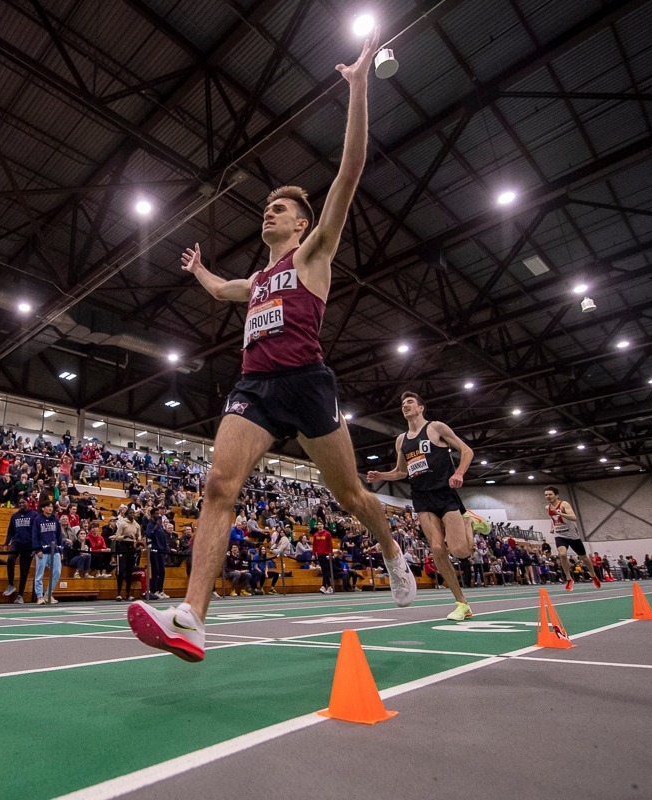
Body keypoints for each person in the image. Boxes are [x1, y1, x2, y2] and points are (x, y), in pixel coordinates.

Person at [127, 32, 415, 662]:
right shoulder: (257, 280)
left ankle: (393, 550)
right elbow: (223, 290)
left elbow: (350, 172)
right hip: (254, 388)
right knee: (218, 485)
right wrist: (199, 270)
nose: (268, 213)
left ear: (301, 223)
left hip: (307, 383)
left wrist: (359, 88)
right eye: (265, 208)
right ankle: (192, 619)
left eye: (278, 208)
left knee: (350, 496)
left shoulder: (313, 255)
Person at [367, 392, 475, 621]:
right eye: (402, 403)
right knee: (436, 549)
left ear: (420, 408)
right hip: (422, 498)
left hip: (444, 493)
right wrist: (381, 475)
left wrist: (459, 473)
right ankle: (461, 603)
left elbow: (467, 451)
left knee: (460, 551)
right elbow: (401, 472)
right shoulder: (401, 440)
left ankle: (468, 521)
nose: (405, 405)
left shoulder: (436, 428)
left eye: (410, 402)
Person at [544, 486, 602, 591]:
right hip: (560, 535)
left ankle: (593, 575)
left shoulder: (564, 504)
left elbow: (573, 517)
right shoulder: (547, 507)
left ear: (556, 495)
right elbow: (553, 518)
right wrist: (552, 527)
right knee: (562, 554)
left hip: (572, 536)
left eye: (550, 494)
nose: (548, 496)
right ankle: (569, 578)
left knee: (584, 557)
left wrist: (558, 512)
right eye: (546, 495)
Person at [31, 495, 64, 605]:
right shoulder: (37, 520)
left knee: (57, 572)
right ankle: (39, 596)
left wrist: (61, 551)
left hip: (55, 550)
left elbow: (59, 536)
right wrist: (37, 549)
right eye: (48, 506)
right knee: (39, 574)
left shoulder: (56, 519)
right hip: (42, 551)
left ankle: (48, 594)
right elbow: (34, 536)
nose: (50, 508)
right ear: (43, 508)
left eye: (51, 507)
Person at [2, 496, 35, 602]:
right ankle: (11, 584)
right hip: (16, 542)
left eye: (23, 502)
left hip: (29, 545)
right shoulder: (14, 516)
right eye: (20, 503)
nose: (21, 504)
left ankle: (20, 595)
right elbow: (10, 531)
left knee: (24, 571)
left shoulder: (34, 515)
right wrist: (6, 543)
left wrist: (35, 546)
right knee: (10, 559)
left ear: (27, 502)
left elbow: (36, 531)